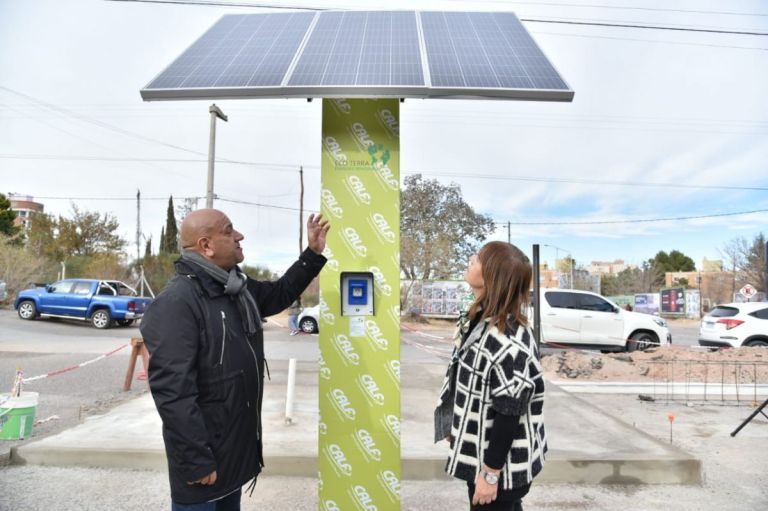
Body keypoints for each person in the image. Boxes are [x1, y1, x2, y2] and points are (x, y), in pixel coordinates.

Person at [140, 209, 329, 510]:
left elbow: (279, 294)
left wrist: (312, 254)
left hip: (233, 451)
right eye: (229, 231)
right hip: (204, 463)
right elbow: (173, 393)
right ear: (206, 246)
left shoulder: (234, 288)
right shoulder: (177, 302)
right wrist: (196, 460)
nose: (239, 236)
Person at [434, 241, 546, 511]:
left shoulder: (508, 339)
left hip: (500, 469)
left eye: (480, 258)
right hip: (482, 455)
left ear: (492, 276)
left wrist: (490, 474)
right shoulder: (481, 317)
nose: (472, 258)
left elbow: (509, 412)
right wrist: (455, 424)